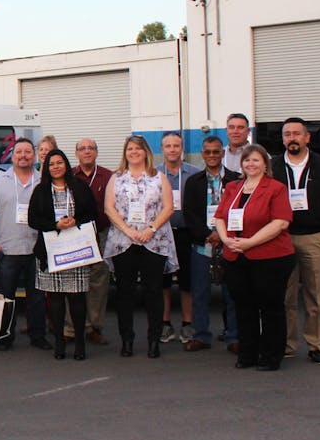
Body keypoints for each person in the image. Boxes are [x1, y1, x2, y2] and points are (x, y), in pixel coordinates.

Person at [214, 145, 295, 371]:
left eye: (256, 160)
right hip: (236, 256)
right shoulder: (233, 187)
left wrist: (250, 242)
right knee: (244, 306)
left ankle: (271, 356)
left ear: (265, 164)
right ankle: (248, 353)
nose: (251, 164)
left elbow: (280, 222)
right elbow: (220, 216)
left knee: (270, 307)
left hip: (269, 257)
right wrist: (225, 239)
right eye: (247, 160)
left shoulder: (276, 188)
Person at [272, 117, 320, 365]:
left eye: (296, 133)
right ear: (283, 139)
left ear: (307, 137)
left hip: (315, 237)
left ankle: (316, 344)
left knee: (316, 295)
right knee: (286, 295)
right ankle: (287, 343)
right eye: (287, 134)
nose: (291, 138)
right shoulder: (273, 166)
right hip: (281, 237)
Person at [103, 135, 177, 359]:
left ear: (146, 152)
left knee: (153, 292)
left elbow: (168, 207)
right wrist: (129, 231)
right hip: (123, 242)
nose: (134, 152)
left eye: (138, 149)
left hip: (153, 241)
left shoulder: (159, 177)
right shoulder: (116, 178)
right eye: (130, 149)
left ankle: (154, 340)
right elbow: (109, 208)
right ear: (125, 153)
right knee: (125, 293)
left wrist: (150, 229)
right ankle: (127, 340)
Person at [0, 137, 51, 352]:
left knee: (37, 297)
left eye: (27, 152)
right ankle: (5, 336)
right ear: (12, 156)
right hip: (6, 249)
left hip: (36, 249)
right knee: (5, 296)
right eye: (18, 152)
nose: (23, 156)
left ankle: (38, 336)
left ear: (34, 155)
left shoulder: (43, 181)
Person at [29, 149, 98, 361]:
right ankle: (59, 341)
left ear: (66, 165)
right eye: (52, 164)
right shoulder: (40, 190)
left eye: (60, 163)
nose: (56, 167)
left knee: (77, 300)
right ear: (46, 168)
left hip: (76, 249)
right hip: (51, 251)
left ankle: (79, 343)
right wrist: (55, 224)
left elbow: (92, 213)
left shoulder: (79, 187)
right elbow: (33, 220)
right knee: (56, 300)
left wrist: (75, 221)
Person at [182, 135, 241, 353]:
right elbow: (190, 215)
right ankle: (201, 335)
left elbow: (238, 212)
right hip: (202, 245)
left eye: (216, 152)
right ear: (202, 154)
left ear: (222, 153)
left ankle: (234, 336)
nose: (212, 156)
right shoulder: (194, 182)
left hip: (229, 244)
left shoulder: (236, 180)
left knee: (232, 293)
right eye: (208, 152)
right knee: (200, 292)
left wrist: (222, 235)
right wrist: (208, 235)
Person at [68, 137, 113, 345]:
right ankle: (71, 328)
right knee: (73, 279)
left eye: (91, 148)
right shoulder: (69, 176)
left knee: (98, 281)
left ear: (96, 152)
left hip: (101, 233)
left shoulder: (108, 176)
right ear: (76, 153)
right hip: (75, 234)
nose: (87, 152)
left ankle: (94, 327)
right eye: (82, 149)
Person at [159, 132, 201, 345]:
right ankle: (165, 323)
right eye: (168, 146)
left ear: (182, 148)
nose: (172, 149)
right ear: (162, 149)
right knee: (163, 281)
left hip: (186, 234)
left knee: (187, 281)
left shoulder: (194, 174)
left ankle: (187, 324)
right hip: (162, 233)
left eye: (176, 145)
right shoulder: (155, 174)